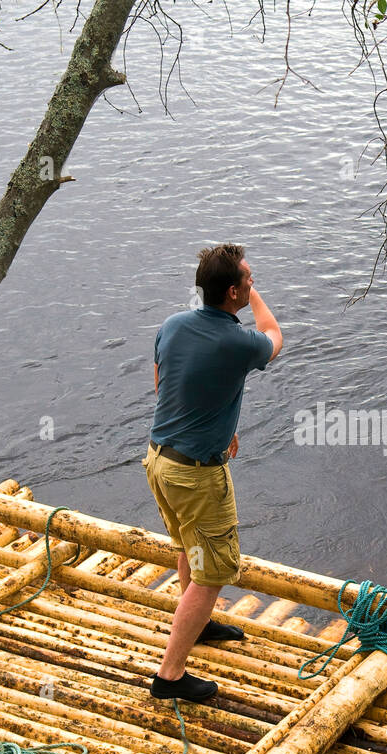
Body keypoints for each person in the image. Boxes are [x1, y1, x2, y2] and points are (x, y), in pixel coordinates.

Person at [141, 243, 283, 701]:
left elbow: (165, 386)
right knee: (213, 573)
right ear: (233, 292)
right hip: (198, 476)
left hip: (160, 459)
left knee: (187, 543)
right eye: (247, 279)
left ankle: (197, 628)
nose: (250, 282)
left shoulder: (173, 324)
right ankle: (170, 677)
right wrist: (256, 295)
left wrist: (219, 426)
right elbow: (274, 336)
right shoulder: (238, 341)